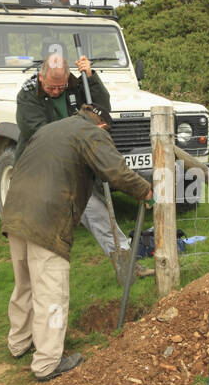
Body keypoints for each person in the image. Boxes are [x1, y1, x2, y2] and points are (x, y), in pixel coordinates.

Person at [1, 105, 153, 381]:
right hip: (47, 218)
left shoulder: (53, 128)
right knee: (52, 292)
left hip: (15, 211)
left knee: (25, 283)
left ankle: (19, 342)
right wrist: (145, 189)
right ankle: (48, 363)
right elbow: (115, 171)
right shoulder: (91, 133)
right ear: (103, 126)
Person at [13, 52, 134, 259]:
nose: (56, 91)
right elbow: (42, 136)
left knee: (97, 214)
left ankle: (125, 262)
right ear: (41, 77)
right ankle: (40, 271)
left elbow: (101, 109)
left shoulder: (76, 85)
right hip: (40, 169)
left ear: (67, 77)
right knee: (40, 229)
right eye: (51, 87)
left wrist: (91, 78)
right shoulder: (27, 96)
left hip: (73, 166)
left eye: (60, 87)